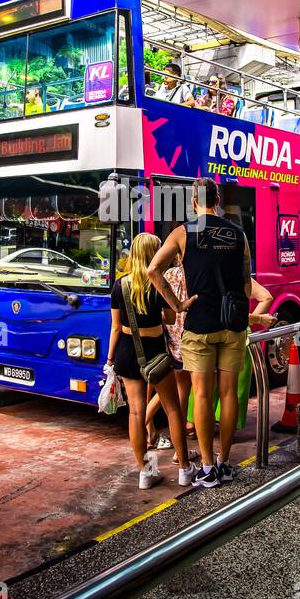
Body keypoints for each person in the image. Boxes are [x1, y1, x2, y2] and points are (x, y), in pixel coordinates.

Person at [148, 177, 251, 489]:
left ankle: (207, 467)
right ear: (216, 200)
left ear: (194, 201)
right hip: (232, 324)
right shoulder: (238, 233)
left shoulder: (182, 233)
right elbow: (246, 282)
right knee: (229, 393)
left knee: (203, 395)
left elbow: (153, 270)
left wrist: (177, 304)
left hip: (199, 323)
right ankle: (225, 462)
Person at [106, 233, 196, 489]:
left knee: (136, 411)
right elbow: (169, 319)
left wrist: (110, 359)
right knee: (172, 409)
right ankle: (184, 470)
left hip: (126, 351)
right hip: (155, 352)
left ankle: (145, 472)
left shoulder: (119, 286)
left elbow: (114, 327)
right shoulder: (158, 285)